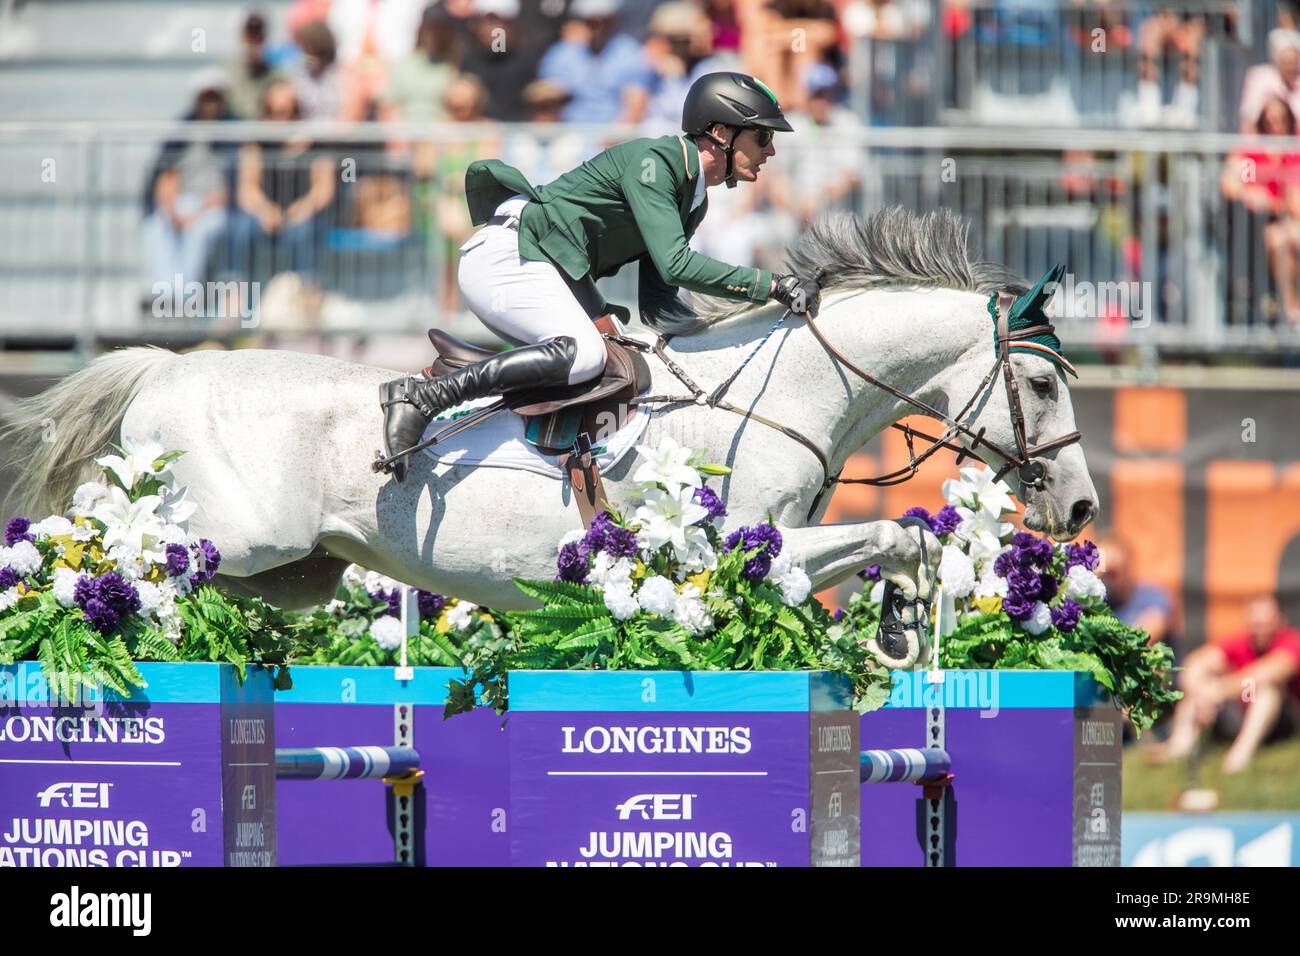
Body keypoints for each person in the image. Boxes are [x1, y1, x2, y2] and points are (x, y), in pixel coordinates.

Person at [378, 71, 822, 480]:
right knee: (586, 355)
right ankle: (423, 397)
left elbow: (659, 301)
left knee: (627, 352)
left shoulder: (693, 198)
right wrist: (773, 286)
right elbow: (677, 264)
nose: (770, 150)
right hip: (508, 256)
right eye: (762, 136)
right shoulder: (657, 162)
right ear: (720, 134)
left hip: (544, 267)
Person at [1150, 595, 1300, 773]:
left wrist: (1219, 690)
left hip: (1281, 719)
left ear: (1279, 620)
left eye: (1265, 622)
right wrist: (1201, 694)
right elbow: (1194, 665)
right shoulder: (1241, 642)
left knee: (1267, 691)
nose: (1260, 628)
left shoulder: (1291, 641)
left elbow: (1270, 672)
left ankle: (1239, 756)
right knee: (1201, 687)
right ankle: (1179, 747)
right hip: (1237, 713)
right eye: (1256, 622)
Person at [140, 70, 239, 302]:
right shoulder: (182, 132)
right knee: (155, 228)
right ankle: (166, 296)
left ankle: (186, 300)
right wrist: (171, 210)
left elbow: (231, 187)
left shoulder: (233, 133)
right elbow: (166, 175)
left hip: (213, 207)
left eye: (214, 98)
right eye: (205, 98)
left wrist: (196, 213)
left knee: (199, 231)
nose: (210, 104)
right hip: (182, 203)